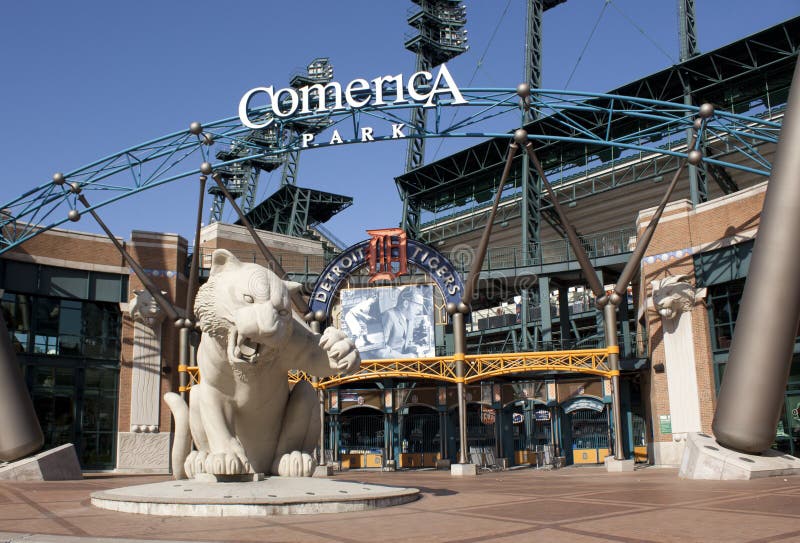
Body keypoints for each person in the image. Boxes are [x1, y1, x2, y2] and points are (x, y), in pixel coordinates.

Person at [381, 287, 425, 358]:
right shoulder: (388, 316)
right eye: (418, 305)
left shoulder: (410, 319)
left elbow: (406, 344)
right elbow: (380, 349)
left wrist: (415, 349)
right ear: (406, 303)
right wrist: (403, 357)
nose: (420, 310)